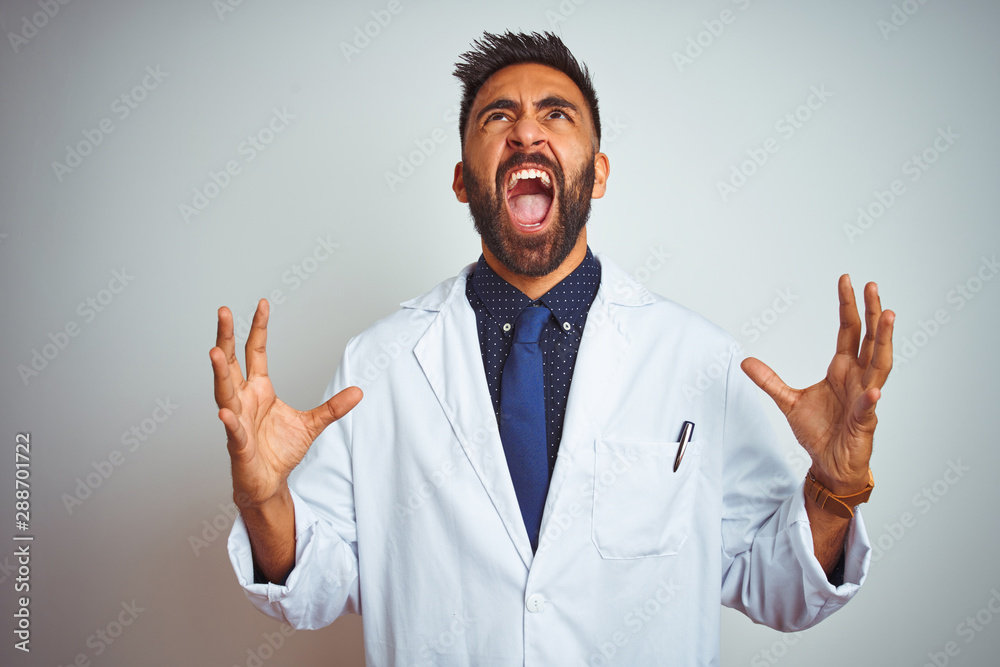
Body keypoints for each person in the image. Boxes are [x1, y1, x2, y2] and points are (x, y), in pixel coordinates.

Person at [213, 31, 894, 665]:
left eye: (556, 115)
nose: (526, 131)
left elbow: (779, 585)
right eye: (497, 117)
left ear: (596, 174)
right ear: (461, 181)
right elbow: (314, 586)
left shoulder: (698, 360)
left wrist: (836, 488)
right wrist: (264, 499)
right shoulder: (376, 365)